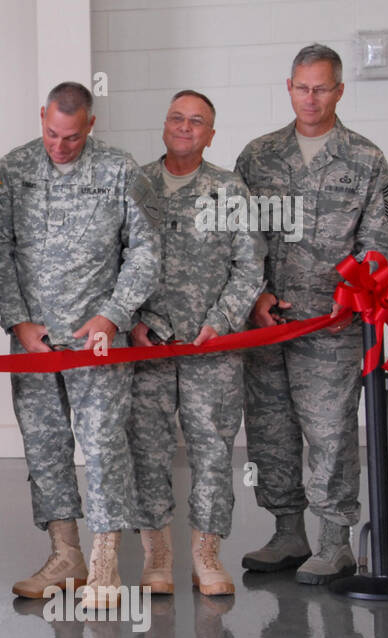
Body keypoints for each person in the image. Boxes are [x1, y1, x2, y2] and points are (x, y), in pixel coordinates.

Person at [0, 82, 162, 610]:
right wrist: (17, 321)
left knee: (104, 447)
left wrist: (113, 313)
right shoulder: (12, 171)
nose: (60, 145)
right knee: (45, 448)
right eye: (51, 133)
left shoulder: (119, 170)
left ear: (90, 124)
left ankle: (106, 563)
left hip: (97, 342)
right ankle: (66, 555)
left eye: (71, 136)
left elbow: (146, 251)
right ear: (42, 117)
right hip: (34, 343)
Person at [237, 43, 388, 584]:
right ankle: (288, 532)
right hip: (268, 324)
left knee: (329, 433)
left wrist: (353, 292)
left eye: (322, 87)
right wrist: (254, 293)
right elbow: (238, 239)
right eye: (302, 87)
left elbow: (378, 244)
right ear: (289, 88)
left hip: (332, 326)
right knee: (270, 429)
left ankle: (335, 541)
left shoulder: (365, 159)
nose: (311, 98)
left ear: (340, 90)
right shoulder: (257, 156)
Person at [128, 90, 265, 596]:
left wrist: (224, 320)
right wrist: (134, 319)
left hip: (214, 346)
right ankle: (156, 556)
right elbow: (115, 259)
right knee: (148, 450)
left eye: (197, 122)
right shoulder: (136, 185)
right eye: (177, 119)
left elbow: (249, 267)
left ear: (211, 133)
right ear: (165, 125)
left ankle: (207, 555)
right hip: (148, 345)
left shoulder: (230, 190)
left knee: (211, 450)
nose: (185, 128)